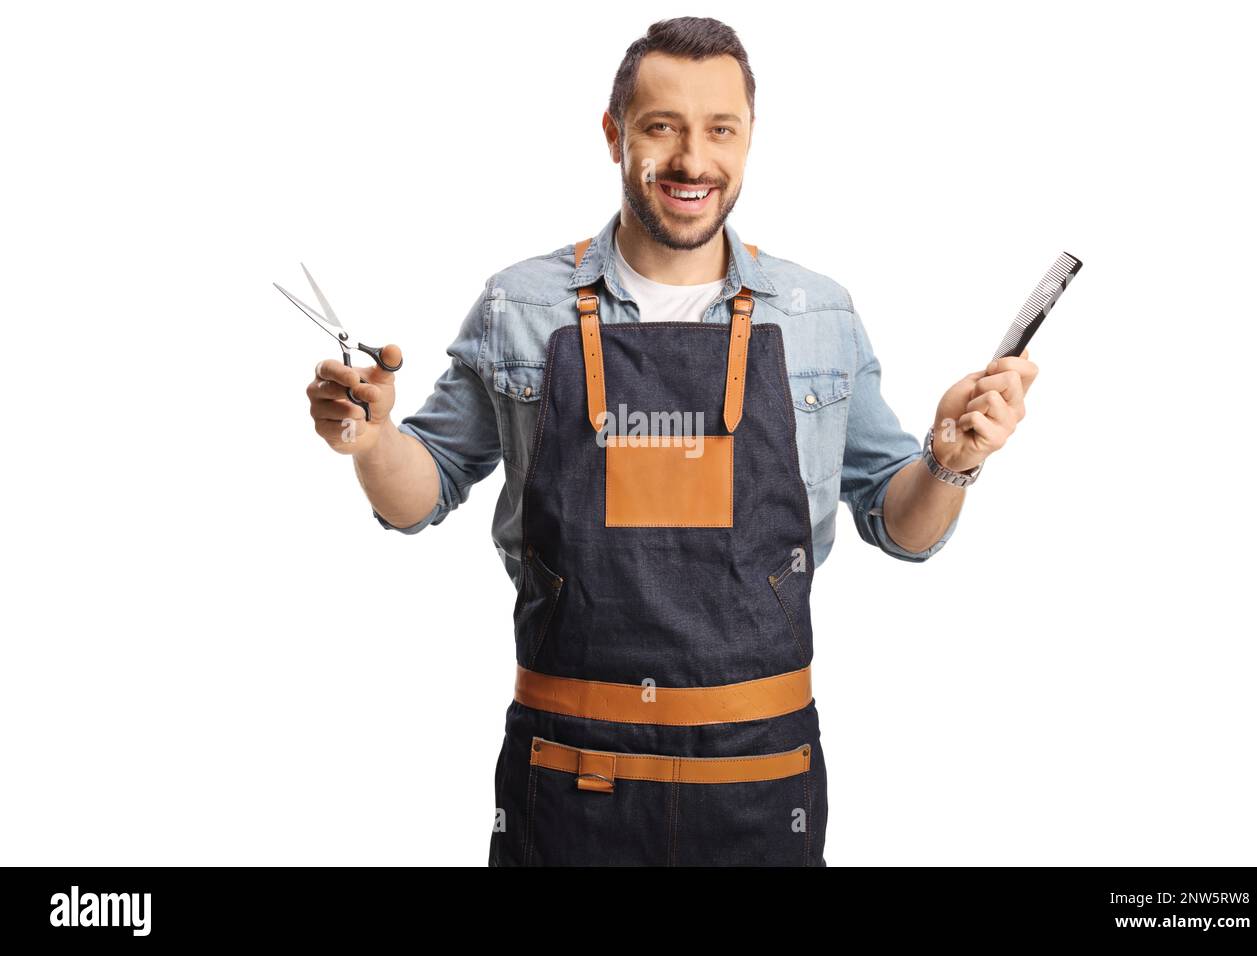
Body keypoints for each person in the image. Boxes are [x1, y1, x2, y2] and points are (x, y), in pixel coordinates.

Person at [306, 16, 1037, 866]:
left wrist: (951, 462)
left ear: (749, 136)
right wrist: (371, 438)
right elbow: (421, 492)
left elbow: (900, 525)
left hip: (761, 785)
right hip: (567, 780)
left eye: (719, 129)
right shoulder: (522, 307)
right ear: (614, 134)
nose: (694, 159)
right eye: (662, 127)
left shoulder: (818, 317)